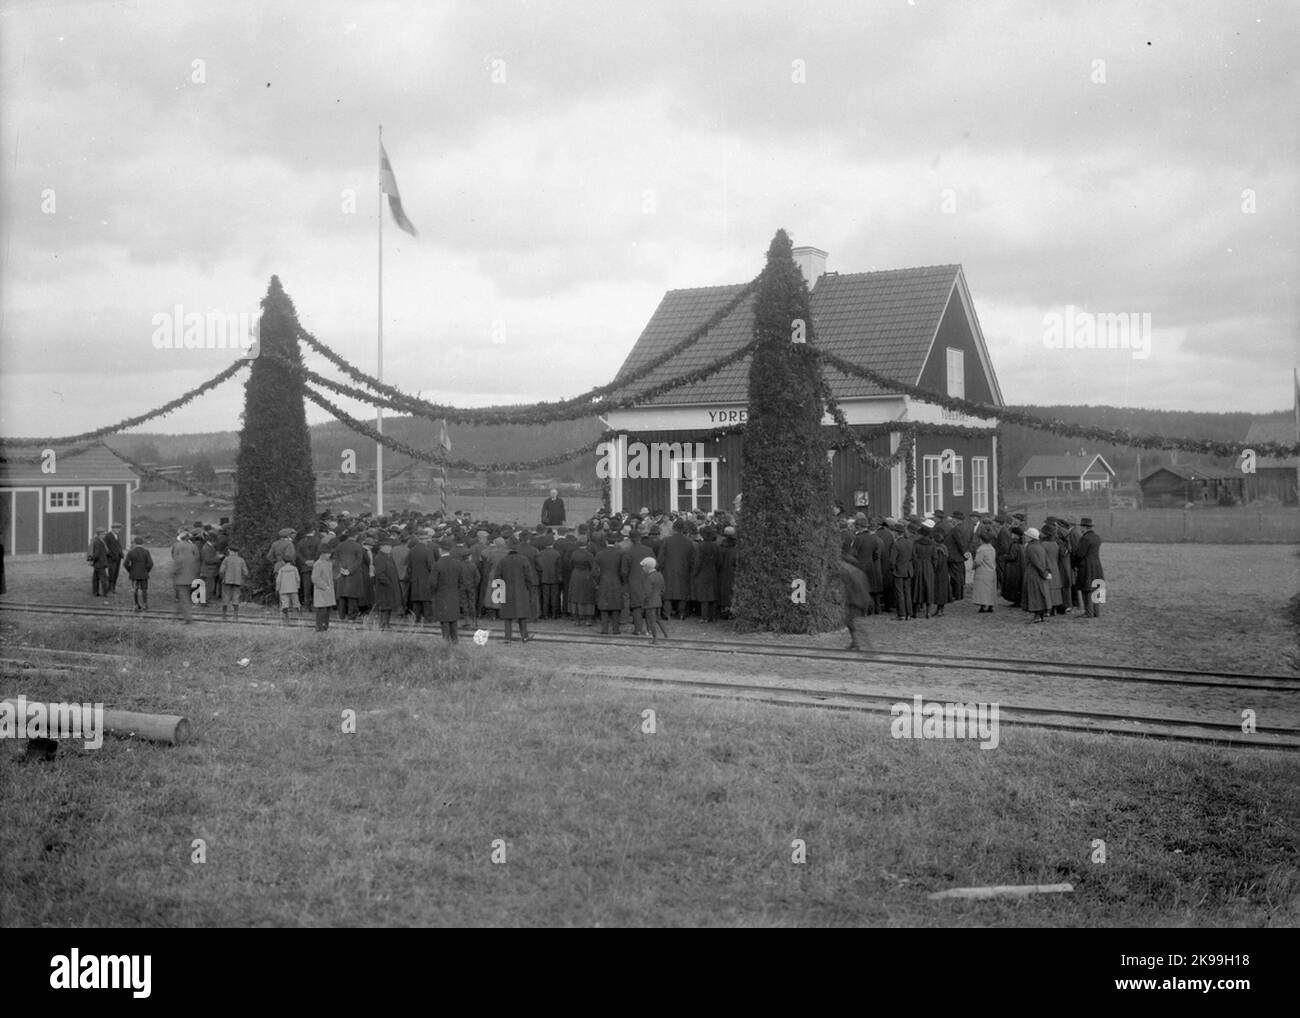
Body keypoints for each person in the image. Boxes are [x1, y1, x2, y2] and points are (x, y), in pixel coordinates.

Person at [495, 537, 537, 643]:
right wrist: (529, 588)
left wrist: (499, 592)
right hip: (521, 589)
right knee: (522, 614)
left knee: (507, 615)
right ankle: (525, 636)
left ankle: (507, 637)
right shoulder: (523, 559)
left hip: (506, 590)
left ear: (508, 547)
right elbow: (529, 577)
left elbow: (497, 577)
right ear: (517, 546)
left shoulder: (503, 561)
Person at [657, 519, 693, 620]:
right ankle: (681, 613)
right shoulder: (688, 542)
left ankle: (667, 613)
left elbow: (661, 557)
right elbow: (692, 559)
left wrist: (659, 567)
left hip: (668, 570)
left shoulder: (666, 540)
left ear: (673, 529)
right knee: (682, 592)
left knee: (667, 593)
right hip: (683, 569)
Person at [430, 540, 466, 641]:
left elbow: (433, 583)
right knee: (453, 619)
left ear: (440, 550)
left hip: (441, 594)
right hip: (454, 594)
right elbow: (461, 581)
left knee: (444, 620)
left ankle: (445, 642)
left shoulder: (437, 565)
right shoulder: (457, 564)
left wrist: (434, 592)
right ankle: (455, 641)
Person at [592, 532, 626, 635]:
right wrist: (623, 581)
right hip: (617, 581)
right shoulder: (620, 554)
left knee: (604, 606)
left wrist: (597, 581)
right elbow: (623, 571)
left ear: (606, 541)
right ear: (615, 542)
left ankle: (604, 629)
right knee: (616, 606)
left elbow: (594, 571)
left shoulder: (600, 554)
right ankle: (616, 629)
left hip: (603, 581)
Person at [836, 557, 873, 651]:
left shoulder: (849, 573)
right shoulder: (859, 573)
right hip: (862, 599)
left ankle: (858, 643)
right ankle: (855, 642)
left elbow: (850, 588)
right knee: (851, 620)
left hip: (856, 600)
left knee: (850, 621)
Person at [1073, 517, 1104, 618]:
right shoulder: (1097, 537)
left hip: (1086, 565)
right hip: (1097, 564)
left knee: (1086, 589)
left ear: (1084, 527)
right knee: (1096, 588)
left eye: (1081, 527)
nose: (1080, 529)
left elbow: (1079, 554)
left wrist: (1074, 564)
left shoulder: (1085, 538)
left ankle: (1088, 612)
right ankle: (1096, 612)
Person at [372, 539, 404, 630]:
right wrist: (388, 583)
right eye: (388, 546)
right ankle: (383, 624)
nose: (390, 548)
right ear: (382, 547)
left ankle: (386, 624)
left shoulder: (387, 557)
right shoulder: (380, 558)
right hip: (384, 587)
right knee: (384, 606)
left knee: (388, 605)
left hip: (389, 586)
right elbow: (380, 574)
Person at [1023, 528, 1052, 623]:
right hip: (1041, 574)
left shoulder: (1030, 548)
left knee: (1035, 596)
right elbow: (1046, 560)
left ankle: (1037, 616)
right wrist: (1047, 572)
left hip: (1033, 574)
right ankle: (1041, 615)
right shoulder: (1040, 546)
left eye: (1027, 536)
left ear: (1031, 537)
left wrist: (1043, 572)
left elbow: (1036, 563)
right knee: (1041, 595)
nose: (1025, 537)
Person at [170, 530, 199, 624]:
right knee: (184, 598)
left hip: (180, 579)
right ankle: (175, 615)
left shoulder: (177, 547)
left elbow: (175, 561)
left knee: (183, 599)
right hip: (191, 577)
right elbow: (197, 558)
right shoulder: (193, 547)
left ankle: (188, 619)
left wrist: (172, 574)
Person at [889, 523, 916, 620]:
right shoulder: (910, 542)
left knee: (899, 593)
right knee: (907, 592)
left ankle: (901, 614)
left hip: (898, 570)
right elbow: (913, 557)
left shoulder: (896, 544)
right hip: (908, 570)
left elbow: (892, 560)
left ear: (897, 533)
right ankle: (909, 613)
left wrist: (892, 568)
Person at [567, 535, 596, 626]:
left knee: (575, 596)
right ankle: (588, 619)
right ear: (587, 544)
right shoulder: (589, 555)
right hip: (586, 575)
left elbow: (570, 564)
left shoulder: (574, 553)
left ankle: (576, 619)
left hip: (575, 575)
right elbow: (593, 567)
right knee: (587, 596)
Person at [641, 557, 669, 641]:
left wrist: (643, 602)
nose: (642, 568)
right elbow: (663, 589)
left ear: (647, 566)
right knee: (658, 619)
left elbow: (647, 592)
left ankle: (655, 639)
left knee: (651, 621)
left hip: (650, 603)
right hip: (658, 601)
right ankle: (665, 635)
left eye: (643, 566)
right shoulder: (659, 575)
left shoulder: (649, 578)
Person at [312, 541, 337, 631]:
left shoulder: (328, 563)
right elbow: (315, 578)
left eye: (330, 553)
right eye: (327, 553)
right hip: (322, 591)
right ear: (322, 553)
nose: (329, 555)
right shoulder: (318, 564)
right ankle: (319, 628)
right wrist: (325, 587)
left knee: (327, 610)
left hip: (328, 591)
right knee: (322, 610)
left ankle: (325, 627)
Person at [124, 537, 153, 611]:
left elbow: (125, 564)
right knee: (144, 589)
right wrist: (147, 570)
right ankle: (145, 604)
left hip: (134, 574)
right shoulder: (146, 552)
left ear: (134, 543)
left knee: (135, 590)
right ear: (142, 543)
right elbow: (150, 563)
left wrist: (130, 570)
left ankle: (136, 605)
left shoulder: (131, 552)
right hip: (143, 573)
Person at [219, 545, 248, 619]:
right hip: (237, 582)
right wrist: (241, 578)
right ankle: (235, 616)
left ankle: (224, 615)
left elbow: (221, 571)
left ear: (232, 552)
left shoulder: (226, 559)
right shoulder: (241, 560)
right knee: (236, 597)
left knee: (225, 597)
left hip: (227, 581)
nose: (229, 552)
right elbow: (246, 572)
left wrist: (222, 578)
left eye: (229, 551)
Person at [972, 531, 997, 612]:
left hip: (982, 572)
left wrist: (973, 567)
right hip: (991, 571)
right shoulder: (992, 548)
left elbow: (977, 561)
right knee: (990, 589)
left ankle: (983, 606)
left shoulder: (981, 549)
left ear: (981, 540)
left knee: (982, 590)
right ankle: (990, 606)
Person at [277, 555, 302, 624]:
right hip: (293, 588)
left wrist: (278, 588)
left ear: (284, 561)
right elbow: (298, 578)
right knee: (296, 602)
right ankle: (299, 616)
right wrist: (297, 586)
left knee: (285, 604)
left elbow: (278, 580)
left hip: (283, 589)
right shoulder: (294, 569)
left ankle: (286, 618)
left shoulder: (281, 569)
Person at [87, 529, 110, 598]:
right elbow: (96, 553)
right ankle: (105, 593)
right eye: (104, 534)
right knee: (103, 579)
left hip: (97, 563)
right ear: (100, 534)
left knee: (95, 579)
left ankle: (95, 592)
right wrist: (93, 559)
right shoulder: (98, 542)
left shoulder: (99, 541)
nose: (105, 535)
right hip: (100, 563)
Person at [104, 523, 125, 594]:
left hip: (118, 558)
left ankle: (113, 588)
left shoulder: (117, 535)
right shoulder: (108, 536)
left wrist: (121, 553)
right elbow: (105, 547)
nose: (119, 530)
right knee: (111, 573)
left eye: (119, 528)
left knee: (116, 574)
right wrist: (110, 555)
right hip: (111, 559)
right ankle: (109, 589)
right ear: (113, 528)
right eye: (118, 528)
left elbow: (118, 546)